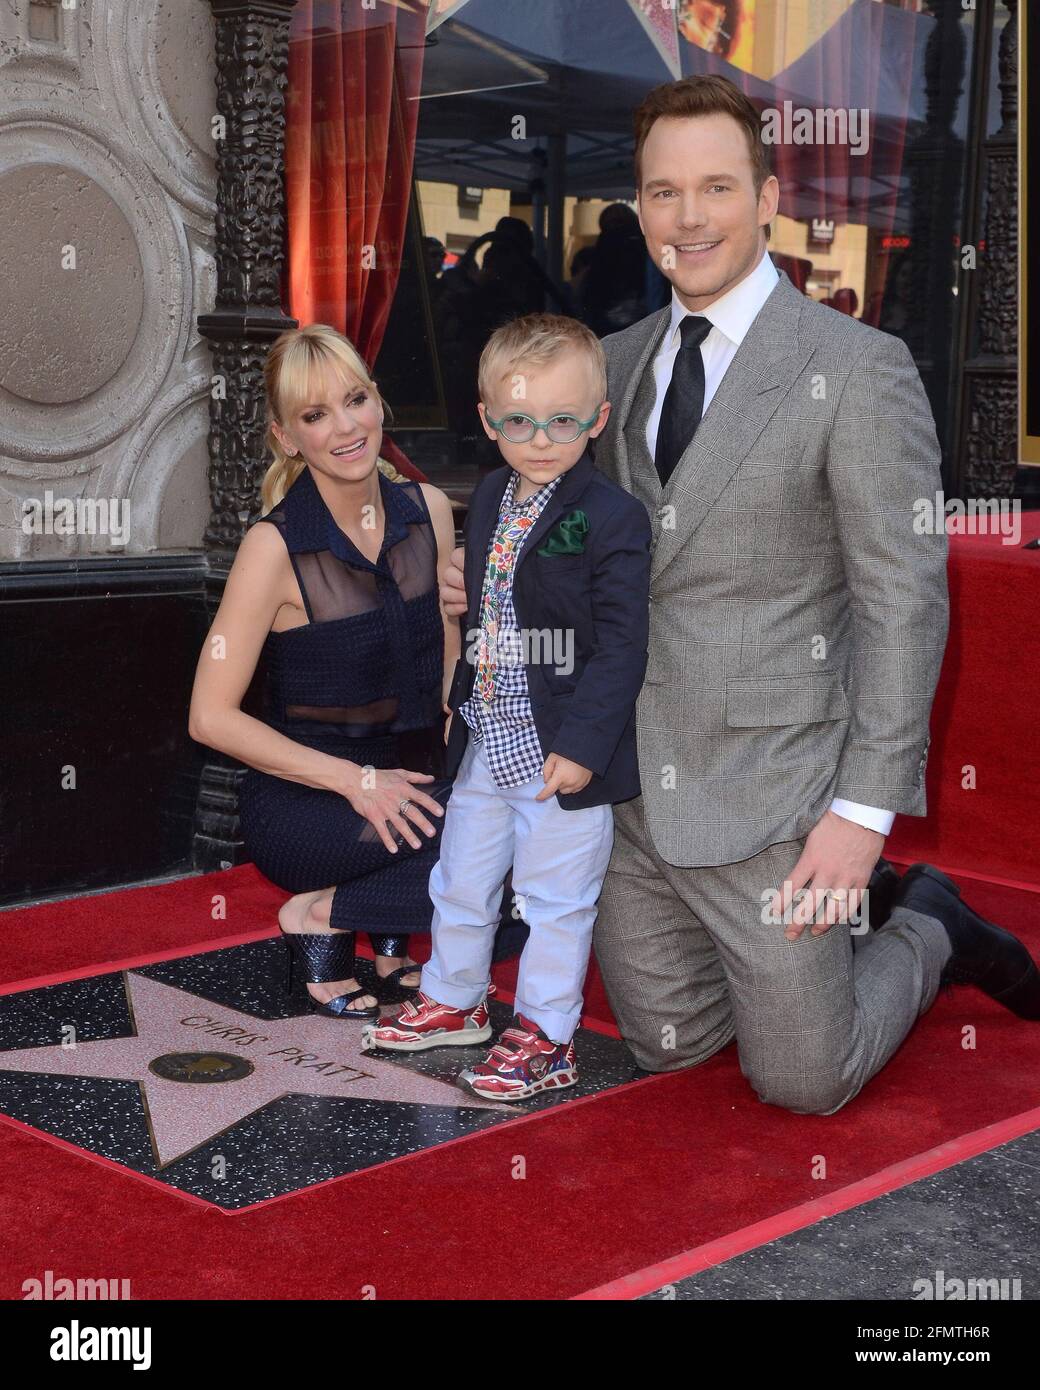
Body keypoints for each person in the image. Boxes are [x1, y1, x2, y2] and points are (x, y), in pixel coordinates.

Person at [438, 75, 1040, 1114]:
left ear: (766, 195)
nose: (687, 216)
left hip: (775, 792)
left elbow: (903, 597)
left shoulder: (856, 368)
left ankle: (926, 922)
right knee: (669, 1046)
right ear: (637, 205)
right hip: (624, 792)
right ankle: (796, 954)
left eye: (715, 185)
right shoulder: (605, 364)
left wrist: (860, 813)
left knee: (801, 1079)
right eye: (662, 192)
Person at [364, 314, 652, 1100]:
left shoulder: (613, 516)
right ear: (489, 421)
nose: (541, 438)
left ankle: (547, 1033)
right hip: (490, 732)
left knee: (557, 899)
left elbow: (622, 645)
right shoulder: (489, 493)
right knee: (461, 877)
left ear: (596, 420)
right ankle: (455, 999)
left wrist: (588, 743)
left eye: (564, 420)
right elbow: (485, 609)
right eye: (519, 421)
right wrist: (462, 701)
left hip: (562, 747)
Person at [188, 324, 459, 1018]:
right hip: (311, 801)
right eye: (315, 415)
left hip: (419, 775)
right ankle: (325, 913)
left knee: (544, 845)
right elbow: (209, 715)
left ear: (377, 403)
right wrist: (355, 781)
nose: (345, 427)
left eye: (355, 399)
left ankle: (347, 916)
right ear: (285, 436)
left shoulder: (429, 511)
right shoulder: (272, 548)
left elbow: (449, 664)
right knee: (482, 857)